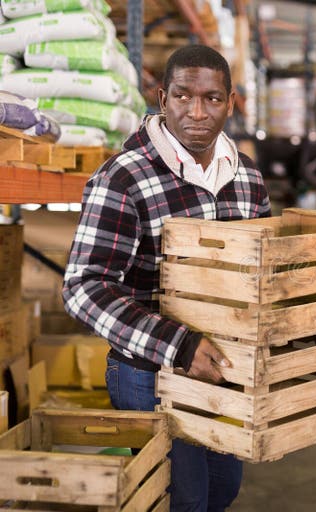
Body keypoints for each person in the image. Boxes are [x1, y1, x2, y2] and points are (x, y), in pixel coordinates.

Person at [62, 45, 271, 512]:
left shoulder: (248, 180)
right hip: (148, 374)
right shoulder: (124, 178)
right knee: (181, 501)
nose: (196, 112)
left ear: (230, 103)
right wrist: (178, 345)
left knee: (221, 492)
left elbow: (259, 276)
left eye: (212, 99)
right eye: (182, 96)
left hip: (223, 375)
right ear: (162, 99)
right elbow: (83, 288)